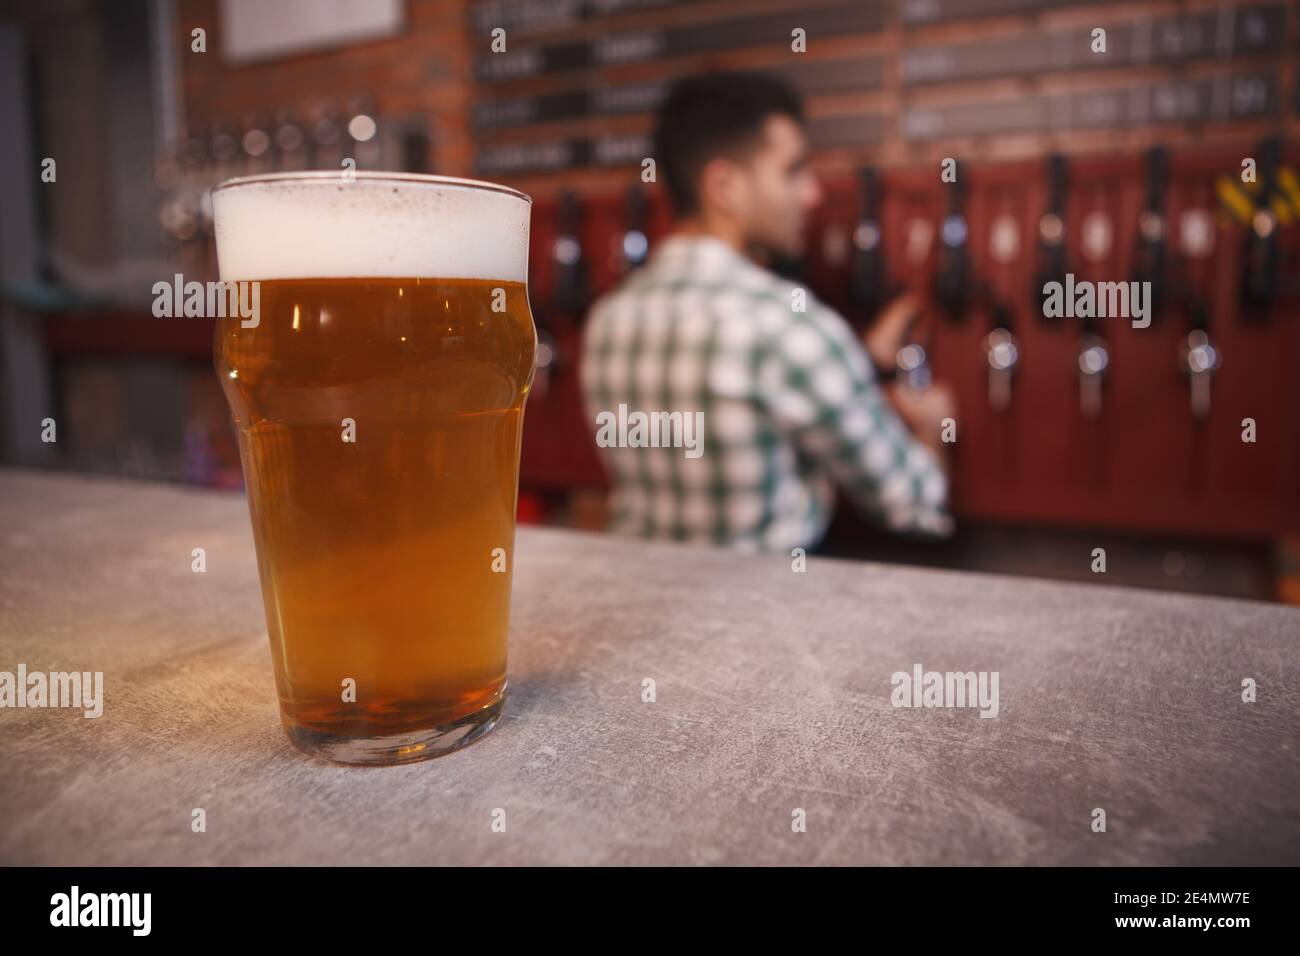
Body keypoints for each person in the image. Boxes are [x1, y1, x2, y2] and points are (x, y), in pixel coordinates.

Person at [579, 71, 956, 552]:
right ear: (725, 186)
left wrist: (861, 359)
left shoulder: (608, 319)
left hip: (642, 608)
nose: (812, 193)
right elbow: (917, 503)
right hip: (763, 619)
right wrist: (932, 426)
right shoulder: (788, 326)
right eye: (793, 171)